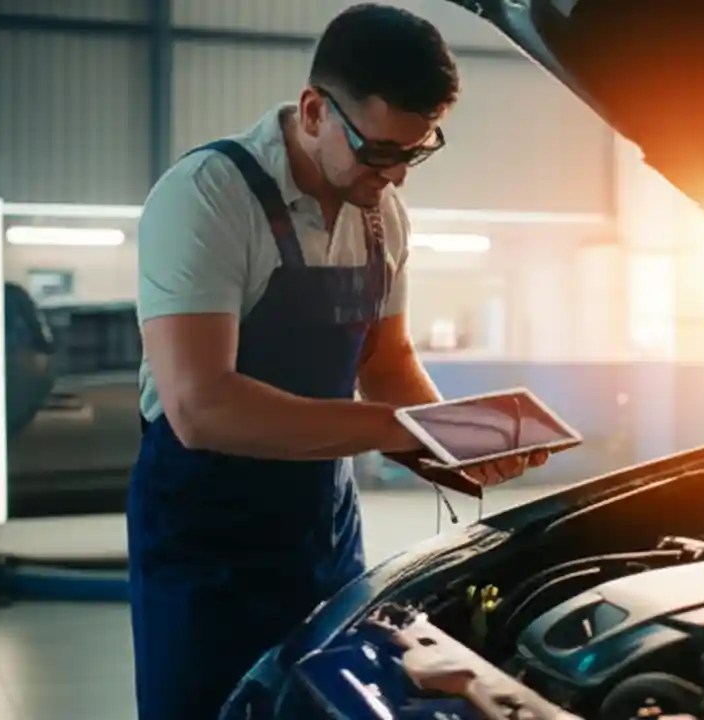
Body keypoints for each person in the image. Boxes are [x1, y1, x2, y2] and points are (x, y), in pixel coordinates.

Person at [127, 4, 548, 718]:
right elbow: (201, 408)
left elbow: (387, 362)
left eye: (415, 153)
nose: (398, 176)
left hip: (322, 524)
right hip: (206, 534)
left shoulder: (381, 210)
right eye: (381, 151)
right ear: (315, 110)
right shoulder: (208, 198)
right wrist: (406, 430)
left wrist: (452, 444)